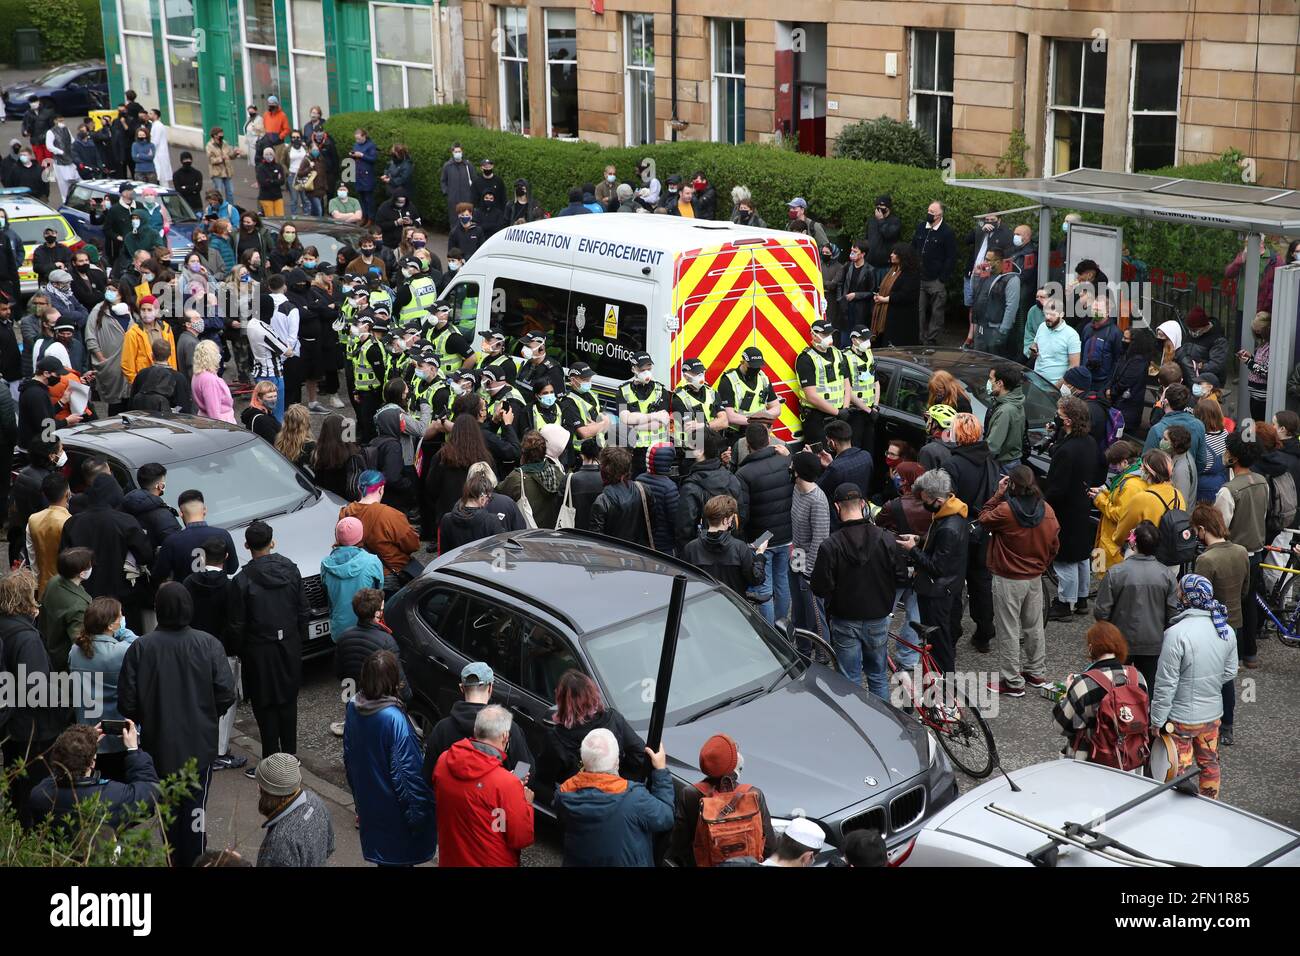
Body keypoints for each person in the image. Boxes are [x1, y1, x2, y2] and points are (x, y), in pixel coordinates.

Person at [117, 582, 237, 864]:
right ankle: (196, 859)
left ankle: (173, 859)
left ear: (158, 609)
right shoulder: (208, 643)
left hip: (159, 744)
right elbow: (226, 692)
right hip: (200, 744)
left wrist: (146, 716)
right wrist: (208, 716)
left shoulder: (141, 648)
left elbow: (127, 702)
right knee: (196, 811)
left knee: (167, 813)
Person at [226, 520, 308, 771]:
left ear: (247, 545)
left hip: (258, 650)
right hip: (289, 644)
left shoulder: (241, 581)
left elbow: (237, 624)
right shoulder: (291, 569)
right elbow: (302, 609)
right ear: (272, 542)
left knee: (265, 705)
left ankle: (271, 760)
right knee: (288, 701)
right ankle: (291, 756)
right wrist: (298, 639)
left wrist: (237, 649)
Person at [810, 483, 904, 699]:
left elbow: (819, 587)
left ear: (836, 507)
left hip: (844, 620)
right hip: (878, 618)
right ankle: (884, 723)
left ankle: (857, 726)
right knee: (878, 676)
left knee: (849, 679)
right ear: (863, 504)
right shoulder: (886, 538)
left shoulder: (830, 546)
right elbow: (901, 576)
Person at [1149, 574, 1239, 799]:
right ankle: (1210, 804)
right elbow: (1230, 671)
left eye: (1180, 591)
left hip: (1181, 718)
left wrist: (1157, 721)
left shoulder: (1176, 634)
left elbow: (1166, 683)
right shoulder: (1225, 630)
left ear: (1186, 598)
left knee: (1179, 769)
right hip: (1212, 716)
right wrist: (1207, 684)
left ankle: (1177, 814)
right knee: (1210, 762)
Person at [344, 649, 436, 866]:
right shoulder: (393, 719)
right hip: (396, 816)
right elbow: (408, 778)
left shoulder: (354, 706)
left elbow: (349, 757)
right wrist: (421, 819)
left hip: (370, 806)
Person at [980, 467, 1060, 696]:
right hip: (1034, 577)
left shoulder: (1005, 511)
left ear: (1012, 484)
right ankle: (1036, 671)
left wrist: (997, 494)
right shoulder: (1047, 510)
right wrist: (1042, 563)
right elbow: (1054, 544)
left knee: (1008, 629)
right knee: (1034, 627)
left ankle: (1012, 682)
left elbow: (984, 518)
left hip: (1008, 578)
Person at [433, 704, 535, 867]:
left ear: (476, 731)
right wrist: (525, 803)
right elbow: (521, 838)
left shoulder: (443, 761)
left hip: (451, 859)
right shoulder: (507, 784)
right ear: (505, 737)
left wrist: (506, 784)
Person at [553, 729, 673, 868]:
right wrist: (661, 771)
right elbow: (666, 816)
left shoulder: (564, 794)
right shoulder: (634, 798)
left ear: (584, 762)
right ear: (616, 762)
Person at [181, 536, 246, 771]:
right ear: (226, 557)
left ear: (203, 556)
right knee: (226, 701)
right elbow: (236, 623)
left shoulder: (189, 582)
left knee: (197, 698)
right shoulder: (231, 586)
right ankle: (220, 751)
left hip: (194, 651)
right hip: (223, 651)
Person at [896, 468, 969, 675]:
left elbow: (937, 567)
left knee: (940, 645)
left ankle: (944, 688)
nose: (922, 503)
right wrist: (920, 540)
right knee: (943, 640)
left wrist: (912, 550)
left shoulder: (947, 526)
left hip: (937, 594)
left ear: (936, 499)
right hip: (949, 588)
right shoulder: (953, 513)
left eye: (924, 499)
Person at [1093, 520, 1179, 689]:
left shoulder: (1116, 573)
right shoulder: (1167, 575)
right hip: (1153, 642)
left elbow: (1101, 611)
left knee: (1117, 687)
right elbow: (1173, 613)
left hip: (1120, 640)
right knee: (1148, 687)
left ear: (1133, 544)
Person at [1190, 503, 1249, 746]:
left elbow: (1199, 599)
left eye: (1196, 530)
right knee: (1226, 678)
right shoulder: (1241, 551)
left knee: (1203, 676)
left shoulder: (1205, 560)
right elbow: (1245, 590)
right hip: (1233, 623)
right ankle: (1227, 726)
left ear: (1203, 529)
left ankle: (1201, 722)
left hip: (1208, 625)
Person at [26, 720, 160, 828]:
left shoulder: (39, 795)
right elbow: (149, 789)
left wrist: (83, 742)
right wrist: (133, 749)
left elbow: (57, 773)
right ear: (92, 762)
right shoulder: (113, 796)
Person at [1052, 621, 1151, 765]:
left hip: (1090, 760)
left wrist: (1068, 693)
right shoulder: (1137, 678)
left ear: (1091, 648)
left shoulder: (1083, 683)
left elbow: (1061, 726)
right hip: (1129, 758)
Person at [59, 472, 152, 623]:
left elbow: (64, 562)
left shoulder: (72, 523)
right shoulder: (126, 522)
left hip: (84, 599)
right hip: (121, 601)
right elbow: (145, 555)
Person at [942, 413, 999, 650]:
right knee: (981, 582)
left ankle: (952, 632)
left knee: (954, 584)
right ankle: (985, 631)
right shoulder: (990, 460)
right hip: (984, 528)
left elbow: (947, 500)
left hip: (959, 529)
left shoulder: (952, 464)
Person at [421, 662, 533, 782]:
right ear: (490, 687)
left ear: (461, 688)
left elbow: (429, 775)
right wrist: (513, 782)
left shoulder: (441, 729)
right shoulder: (508, 728)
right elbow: (524, 766)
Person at [539, 670, 647, 790]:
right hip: (615, 793)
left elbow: (543, 782)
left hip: (578, 801)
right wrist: (622, 781)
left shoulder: (555, 739)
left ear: (561, 702)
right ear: (593, 694)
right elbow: (640, 754)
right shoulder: (613, 718)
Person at [1213, 432, 1267, 671]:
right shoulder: (1262, 482)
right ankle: (1250, 653)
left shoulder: (1228, 490)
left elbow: (1220, 527)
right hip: (1256, 552)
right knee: (1249, 603)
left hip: (1233, 555)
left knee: (1229, 605)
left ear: (1233, 457)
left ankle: (1231, 657)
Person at [1045, 396, 1101, 620]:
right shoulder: (1089, 442)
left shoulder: (1067, 451)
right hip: (1082, 505)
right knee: (1080, 556)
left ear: (1068, 421)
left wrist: (1044, 505)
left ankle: (1064, 603)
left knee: (1065, 558)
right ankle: (1080, 599)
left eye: (1059, 416)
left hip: (1065, 511)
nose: (1056, 420)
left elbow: (1057, 487)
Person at [736, 423, 793, 621]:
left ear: (747, 444)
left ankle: (770, 634)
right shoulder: (785, 462)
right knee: (782, 581)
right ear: (769, 440)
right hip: (786, 535)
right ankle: (782, 625)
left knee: (764, 587)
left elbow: (743, 513)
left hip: (761, 540)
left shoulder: (743, 473)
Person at [254, 752, 336, 867]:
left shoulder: (280, 841)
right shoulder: (314, 800)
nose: (257, 786)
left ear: (265, 789)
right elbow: (329, 846)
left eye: (259, 783)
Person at [682, 493, 767, 601]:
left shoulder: (690, 548)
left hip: (703, 605)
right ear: (726, 520)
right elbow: (756, 579)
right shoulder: (739, 547)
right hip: (734, 605)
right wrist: (759, 556)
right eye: (731, 518)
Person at [150, 489, 238, 584]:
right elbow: (232, 568)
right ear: (205, 510)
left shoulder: (171, 541)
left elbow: (159, 575)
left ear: (181, 514)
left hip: (186, 596)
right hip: (219, 593)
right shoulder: (223, 535)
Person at [320, 517, 384, 646]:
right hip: (368, 628)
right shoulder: (372, 561)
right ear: (360, 536)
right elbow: (379, 592)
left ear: (337, 537)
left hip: (339, 630)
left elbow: (326, 591)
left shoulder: (325, 564)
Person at [37, 545, 93, 671]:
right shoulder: (78, 607)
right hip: (64, 660)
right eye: (89, 566)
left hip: (48, 646)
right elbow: (80, 642)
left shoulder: (54, 581)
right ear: (82, 573)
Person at [795, 320, 848, 448]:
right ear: (813, 335)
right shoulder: (805, 359)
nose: (829, 337)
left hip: (839, 414)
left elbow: (846, 383)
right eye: (824, 335)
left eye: (830, 334)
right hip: (817, 418)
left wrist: (844, 409)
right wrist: (838, 412)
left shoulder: (838, 353)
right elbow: (811, 396)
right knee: (821, 457)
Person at [497, 430, 565, 529]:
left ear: (523, 454)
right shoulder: (557, 472)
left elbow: (498, 494)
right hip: (553, 533)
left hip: (526, 536)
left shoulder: (516, 478)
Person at [911, 201, 957, 345]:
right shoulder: (921, 227)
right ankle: (919, 337)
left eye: (932, 212)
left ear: (939, 215)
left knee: (937, 311)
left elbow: (951, 257)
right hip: (919, 277)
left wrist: (942, 277)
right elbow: (913, 247)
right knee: (919, 309)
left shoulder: (947, 232)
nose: (929, 214)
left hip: (936, 279)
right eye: (928, 210)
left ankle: (932, 338)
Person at [591, 446, 654, 546]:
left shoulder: (602, 501)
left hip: (614, 555)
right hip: (641, 553)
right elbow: (653, 524)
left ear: (606, 470)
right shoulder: (643, 489)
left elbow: (597, 539)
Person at [25, 471, 72, 596]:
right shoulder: (70, 522)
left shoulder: (33, 519)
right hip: (66, 591)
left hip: (42, 589)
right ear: (67, 493)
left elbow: (32, 558)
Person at [634, 442, 680, 554]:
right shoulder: (670, 487)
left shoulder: (639, 479)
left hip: (642, 541)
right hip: (664, 545)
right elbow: (675, 519)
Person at [1029, 298, 1081, 388]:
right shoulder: (1042, 327)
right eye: (1046, 314)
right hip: (1036, 384)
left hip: (1055, 387)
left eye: (1052, 314)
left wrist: (1056, 387)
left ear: (1061, 315)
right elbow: (1035, 345)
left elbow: (1074, 366)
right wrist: (1033, 350)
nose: (1048, 317)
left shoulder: (1072, 335)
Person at [984, 365, 1026, 469]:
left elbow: (992, 446)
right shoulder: (1016, 402)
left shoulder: (1005, 410)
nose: (989, 383)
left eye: (991, 379)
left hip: (1003, 465)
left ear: (1000, 383)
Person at [191, 339, 235, 423]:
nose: (219, 356)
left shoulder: (198, 374)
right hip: (223, 423)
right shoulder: (209, 379)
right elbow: (214, 413)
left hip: (205, 418)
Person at [1240, 311, 1270, 422]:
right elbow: (1260, 364)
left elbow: (1266, 372)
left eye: (1259, 331)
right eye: (1255, 331)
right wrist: (1251, 357)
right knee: (1255, 424)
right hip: (1255, 394)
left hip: (1262, 397)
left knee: (1260, 426)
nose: (1257, 334)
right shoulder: (1263, 344)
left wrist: (1249, 362)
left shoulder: (1270, 347)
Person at [205, 127, 243, 205]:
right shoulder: (209, 146)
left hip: (227, 171)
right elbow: (211, 160)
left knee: (230, 192)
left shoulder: (225, 143)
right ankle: (219, 207)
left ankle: (230, 208)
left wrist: (235, 153)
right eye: (220, 134)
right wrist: (221, 158)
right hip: (217, 173)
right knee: (218, 193)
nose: (222, 135)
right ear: (215, 135)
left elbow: (230, 156)